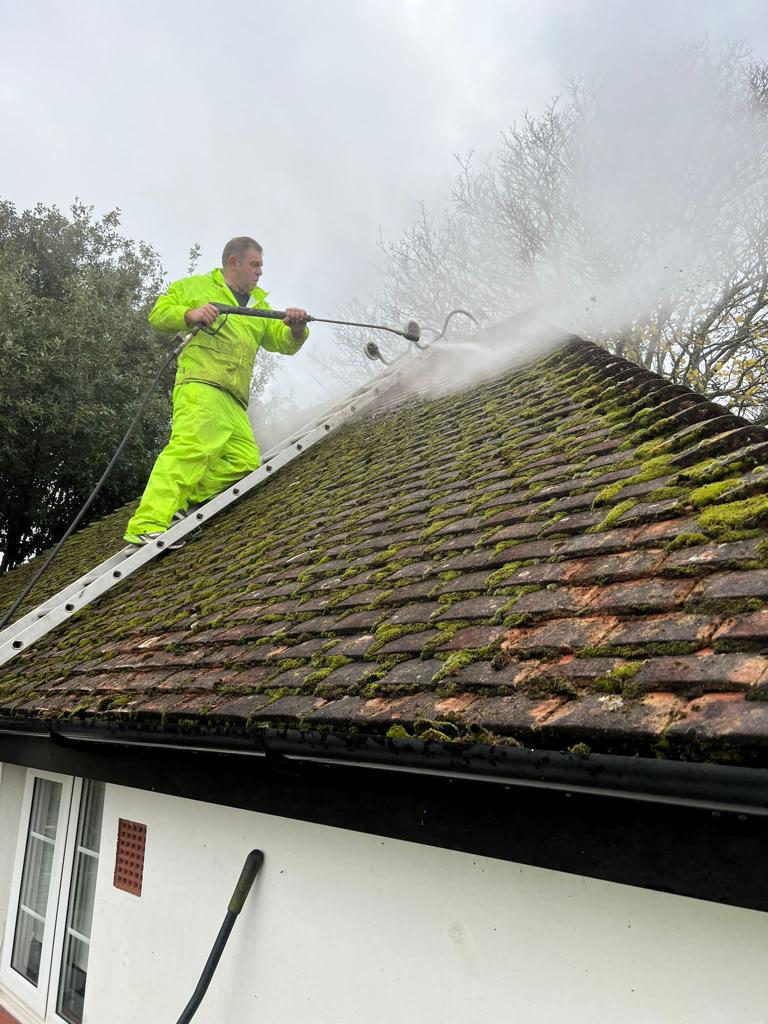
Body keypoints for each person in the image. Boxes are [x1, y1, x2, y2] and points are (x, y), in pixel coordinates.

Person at [124, 236, 308, 546]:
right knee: (191, 449)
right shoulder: (197, 287)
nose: (260, 272)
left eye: (261, 266)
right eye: (255, 265)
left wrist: (297, 327)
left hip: (234, 401)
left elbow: (283, 342)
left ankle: (177, 504)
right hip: (202, 386)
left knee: (244, 462)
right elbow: (159, 313)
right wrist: (190, 314)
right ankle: (148, 523)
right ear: (234, 262)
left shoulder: (259, 306)